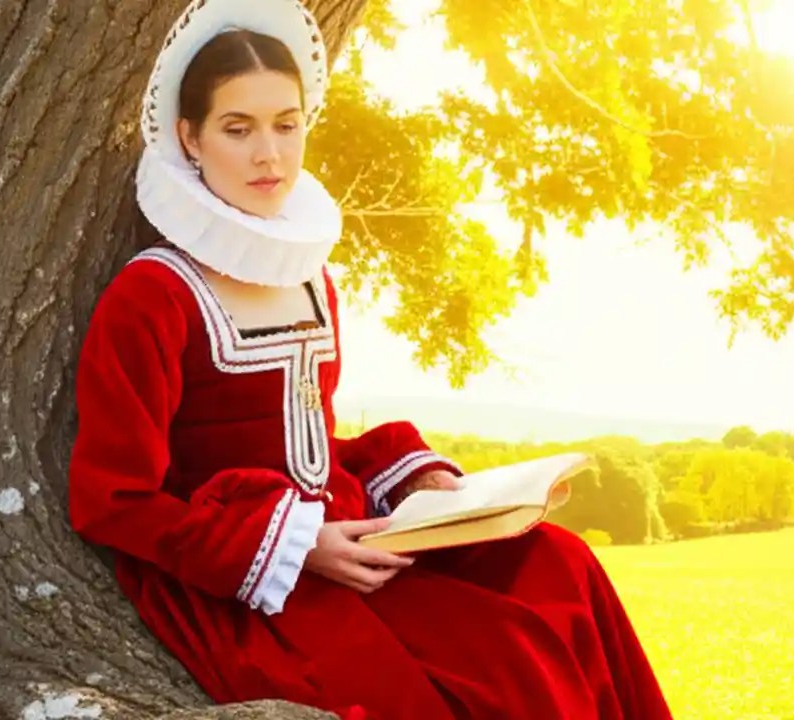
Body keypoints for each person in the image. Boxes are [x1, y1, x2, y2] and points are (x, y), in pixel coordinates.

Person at [66, 1, 675, 718]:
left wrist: (426, 485)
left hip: (344, 538)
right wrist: (299, 546)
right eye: (239, 129)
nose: (270, 154)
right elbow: (111, 501)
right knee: (503, 662)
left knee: (559, 564)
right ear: (188, 137)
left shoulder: (310, 280)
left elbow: (306, 449)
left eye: (287, 125)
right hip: (244, 577)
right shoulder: (153, 295)